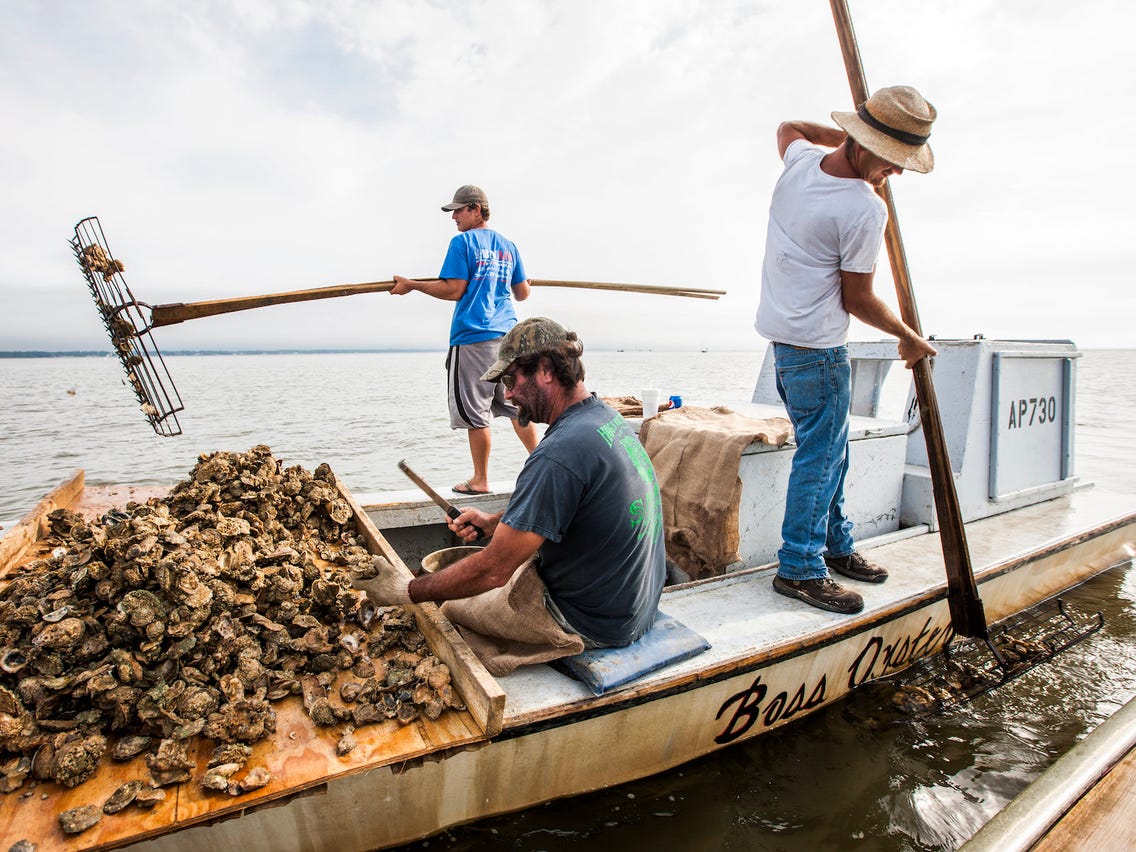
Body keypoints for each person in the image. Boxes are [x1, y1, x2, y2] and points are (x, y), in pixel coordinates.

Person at [354, 317, 667, 651]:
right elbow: (567, 504)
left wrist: (406, 590)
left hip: (594, 623)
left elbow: (492, 571)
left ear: (546, 370)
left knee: (449, 608)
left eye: (510, 378)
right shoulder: (605, 418)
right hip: (637, 607)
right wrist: (493, 522)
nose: (507, 393)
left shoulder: (559, 454)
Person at [754, 85, 939, 615]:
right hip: (818, 350)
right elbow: (856, 298)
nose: (897, 173)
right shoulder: (865, 208)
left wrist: (860, 140)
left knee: (834, 450)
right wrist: (908, 335)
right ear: (866, 142)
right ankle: (800, 568)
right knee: (821, 457)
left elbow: (789, 126)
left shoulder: (799, 163)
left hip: (785, 348)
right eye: (894, 160)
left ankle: (837, 546)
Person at [392, 184, 539, 495]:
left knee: (476, 412)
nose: (454, 216)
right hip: (509, 339)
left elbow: (454, 289)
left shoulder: (462, 243)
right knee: (516, 408)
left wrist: (412, 285)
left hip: (473, 336)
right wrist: (525, 280)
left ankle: (480, 480)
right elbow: (522, 293)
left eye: (459, 210)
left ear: (476, 209)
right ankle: (541, 466)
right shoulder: (508, 246)